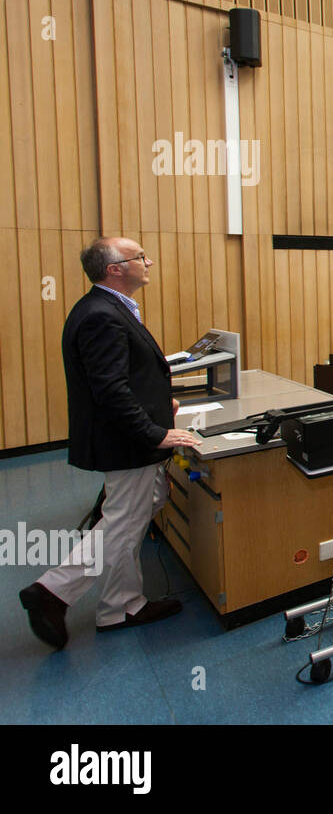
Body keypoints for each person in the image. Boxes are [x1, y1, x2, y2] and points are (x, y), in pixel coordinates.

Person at [19, 238, 197, 648]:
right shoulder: (103, 315)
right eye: (139, 257)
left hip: (125, 437)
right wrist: (155, 432)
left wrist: (158, 401)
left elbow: (125, 376)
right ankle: (51, 591)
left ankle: (120, 606)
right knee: (123, 520)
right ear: (115, 269)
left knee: (136, 512)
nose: (148, 261)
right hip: (126, 442)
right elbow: (111, 390)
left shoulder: (106, 308)